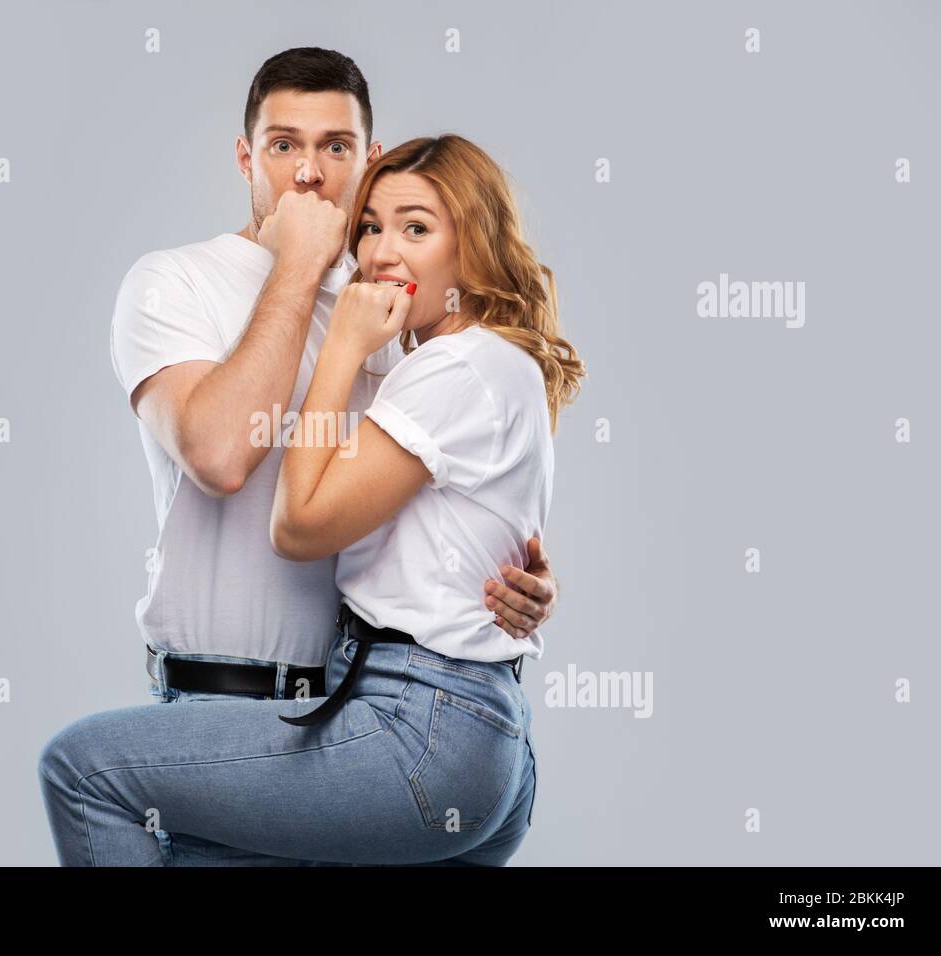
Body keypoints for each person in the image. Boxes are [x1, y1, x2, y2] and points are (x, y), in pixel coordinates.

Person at [39, 130, 586, 866]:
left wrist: (337, 350)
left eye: (416, 228)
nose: (384, 251)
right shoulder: (488, 362)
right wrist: (534, 589)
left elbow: (298, 525)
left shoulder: (456, 363)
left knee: (85, 768)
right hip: (477, 733)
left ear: (475, 244)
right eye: (371, 227)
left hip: (415, 726)